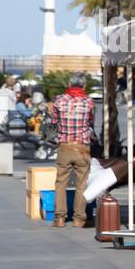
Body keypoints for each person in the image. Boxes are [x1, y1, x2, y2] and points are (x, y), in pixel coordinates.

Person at [49, 72, 96, 228]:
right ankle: (79, 219)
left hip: (65, 146)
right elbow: (91, 122)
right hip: (82, 147)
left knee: (61, 183)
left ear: (69, 84)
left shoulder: (59, 101)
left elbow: (54, 121)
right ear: (84, 86)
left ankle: (60, 218)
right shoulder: (89, 102)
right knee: (81, 184)